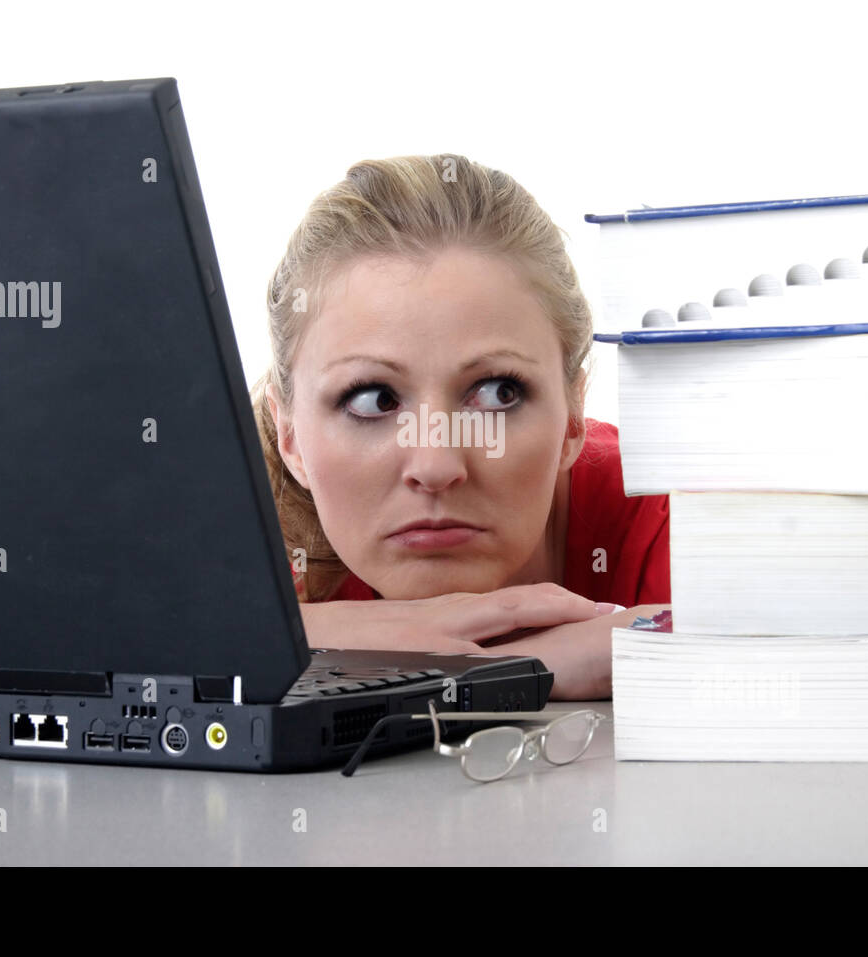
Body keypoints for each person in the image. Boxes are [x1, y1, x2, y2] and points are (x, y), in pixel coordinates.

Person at [249, 154, 671, 699]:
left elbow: (793, 636)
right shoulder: (259, 541)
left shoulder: (672, 506)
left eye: (498, 393)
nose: (436, 466)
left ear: (572, 419)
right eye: (373, 399)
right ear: (291, 440)